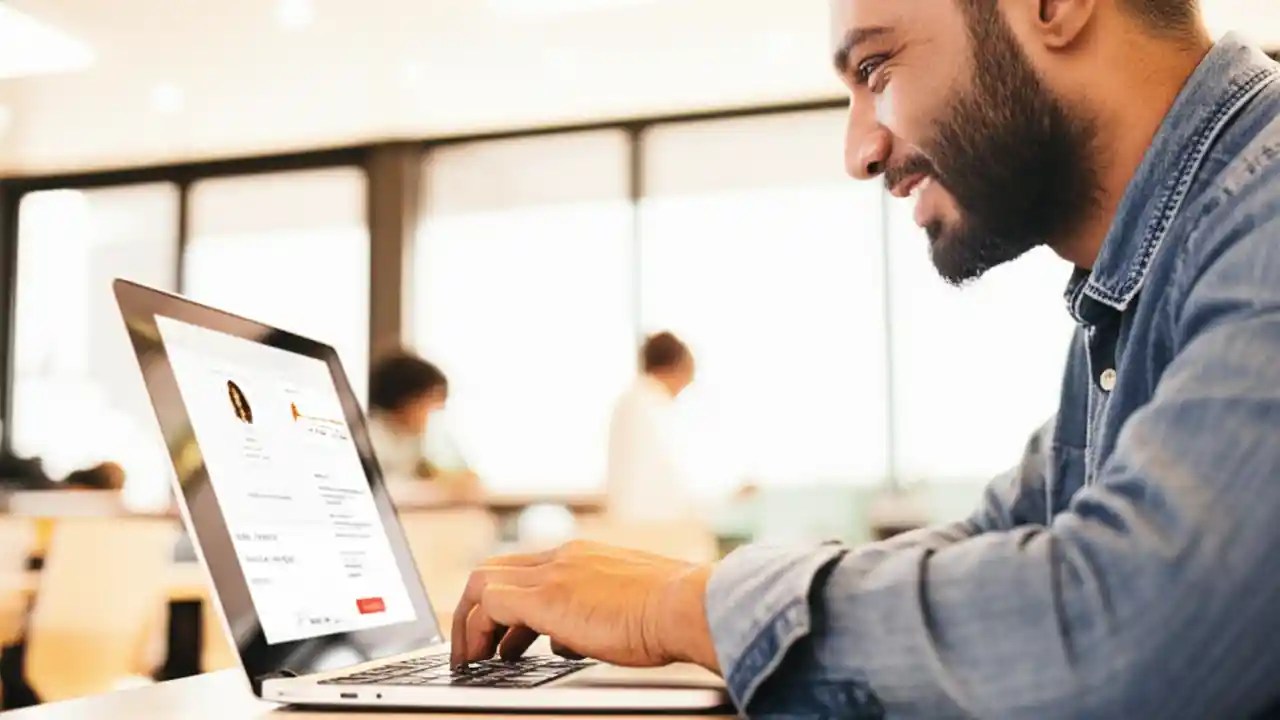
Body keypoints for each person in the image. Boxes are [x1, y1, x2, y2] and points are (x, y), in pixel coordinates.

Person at [449, 1, 1280, 716]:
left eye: (877, 69)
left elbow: (1132, 631)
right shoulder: (1136, 286)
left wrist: (682, 606)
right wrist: (665, 593)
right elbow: (996, 541)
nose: (859, 153)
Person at [604, 332, 696, 520]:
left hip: (633, 518)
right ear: (677, 368)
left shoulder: (633, 400)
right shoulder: (653, 407)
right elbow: (670, 478)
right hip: (650, 523)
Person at [367, 351, 480, 500]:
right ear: (406, 400)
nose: (438, 408)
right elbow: (381, 488)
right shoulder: (371, 435)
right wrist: (441, 489)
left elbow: (422, 471)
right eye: (432, 399)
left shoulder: (410, 437)